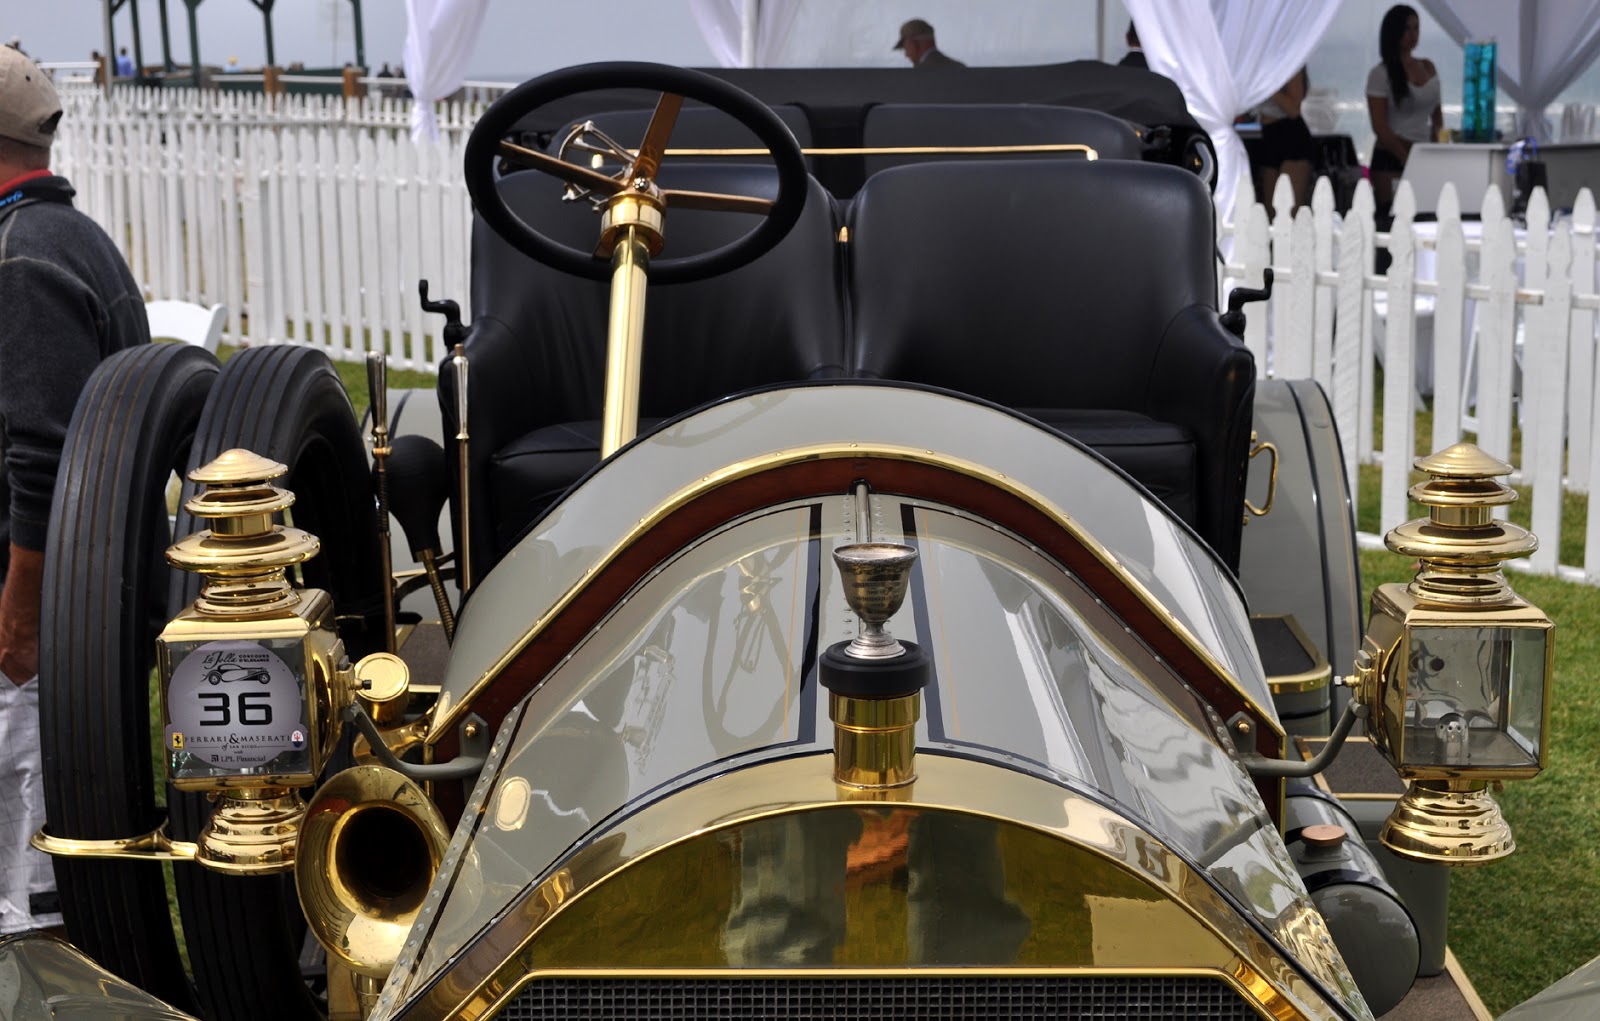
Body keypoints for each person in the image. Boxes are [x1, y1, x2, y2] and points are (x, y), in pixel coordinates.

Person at [0, 46, 150, 936]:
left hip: (46, 621)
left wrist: (20, 622)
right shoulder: (73, 235)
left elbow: (41, 461)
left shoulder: (24, 258)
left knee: (30, 882)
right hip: (84, 607)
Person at [1366, 4, 1442, 212]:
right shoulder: (1380, 74)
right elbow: (1380, 127)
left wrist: (1437, 149)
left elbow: (1437, 116)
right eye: (1407, 29)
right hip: (1392, 156)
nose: (1413, 35)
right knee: (1394, 216)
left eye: (1416, 28)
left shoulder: (1428, 66)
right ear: (1394, 32)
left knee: (1426, 214)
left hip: (1423, 153)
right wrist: (1406, 158)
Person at [1256, 67, 1315, 213]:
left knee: (1288, 213)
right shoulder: (1255, 62)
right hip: (1268, 135)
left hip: (1291, 136)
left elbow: (1294, 109)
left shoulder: (1289, 64)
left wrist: (1264, 85)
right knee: (1270, 216)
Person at [893, 19, 965, 69]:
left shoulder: (918, 74)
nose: (906, 55)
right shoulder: (959, 67)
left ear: (913, 43)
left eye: (905, 47)